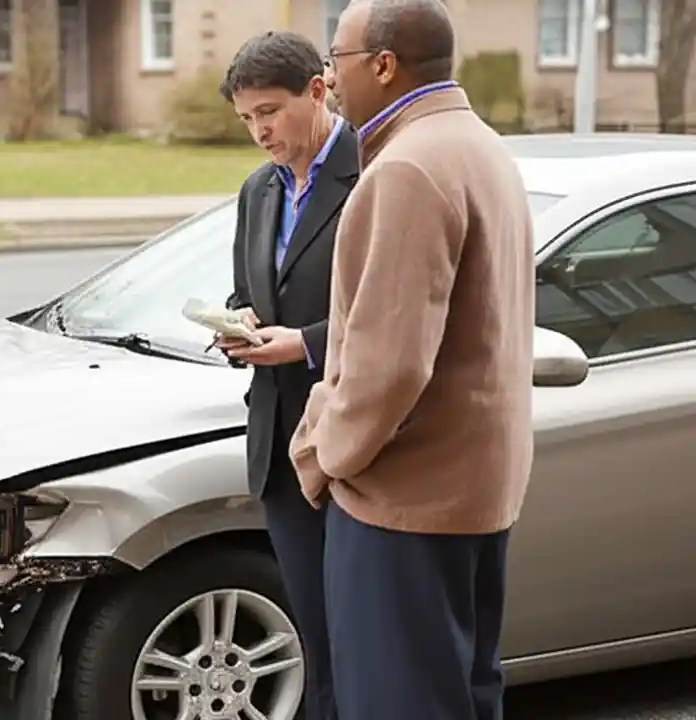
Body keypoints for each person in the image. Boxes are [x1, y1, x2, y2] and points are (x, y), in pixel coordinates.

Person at [288, 0, 536, 718]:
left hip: (405, 503)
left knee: (396, 702)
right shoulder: (480, 145)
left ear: (385, 65)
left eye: (336, 60)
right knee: (464, 693)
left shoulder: (408, 168)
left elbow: (387, 365)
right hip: (479, 486)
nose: (330, 81)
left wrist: (324, 454)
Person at [215, 31, 359, 720]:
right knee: (315, 635)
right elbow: (253, 290)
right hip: (279, 446)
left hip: (356, 444)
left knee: (366, 636)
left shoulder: (377, 173)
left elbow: (402, 317)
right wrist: (238, 326)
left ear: (319, 89)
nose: (259, 131)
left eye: (269, 111)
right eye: (246, 119)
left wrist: (303, 346)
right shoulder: (256, 190)